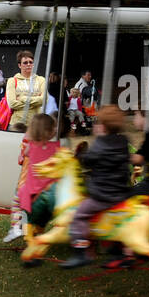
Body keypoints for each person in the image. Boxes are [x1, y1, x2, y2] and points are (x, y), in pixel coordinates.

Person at [61, 106, 131, 269]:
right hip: (121, 193)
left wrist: (81, 156)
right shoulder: (123, 141)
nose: (95, 126)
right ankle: (117, 250)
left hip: (103, 195)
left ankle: (81, 252)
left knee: (79, 215)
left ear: (103, 127)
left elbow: (89, 161)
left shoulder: (100, 144)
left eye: (98, 123)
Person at [5, 49, 46, 131]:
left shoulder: (41, 80)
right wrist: (35, 101)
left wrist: (22, 98)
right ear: (19, 65)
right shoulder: (12, 81)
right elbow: (12, 104)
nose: (28, 64)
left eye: (31, 62)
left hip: (36, 124)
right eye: (25, 62)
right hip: (16, 124)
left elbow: (44, 99)